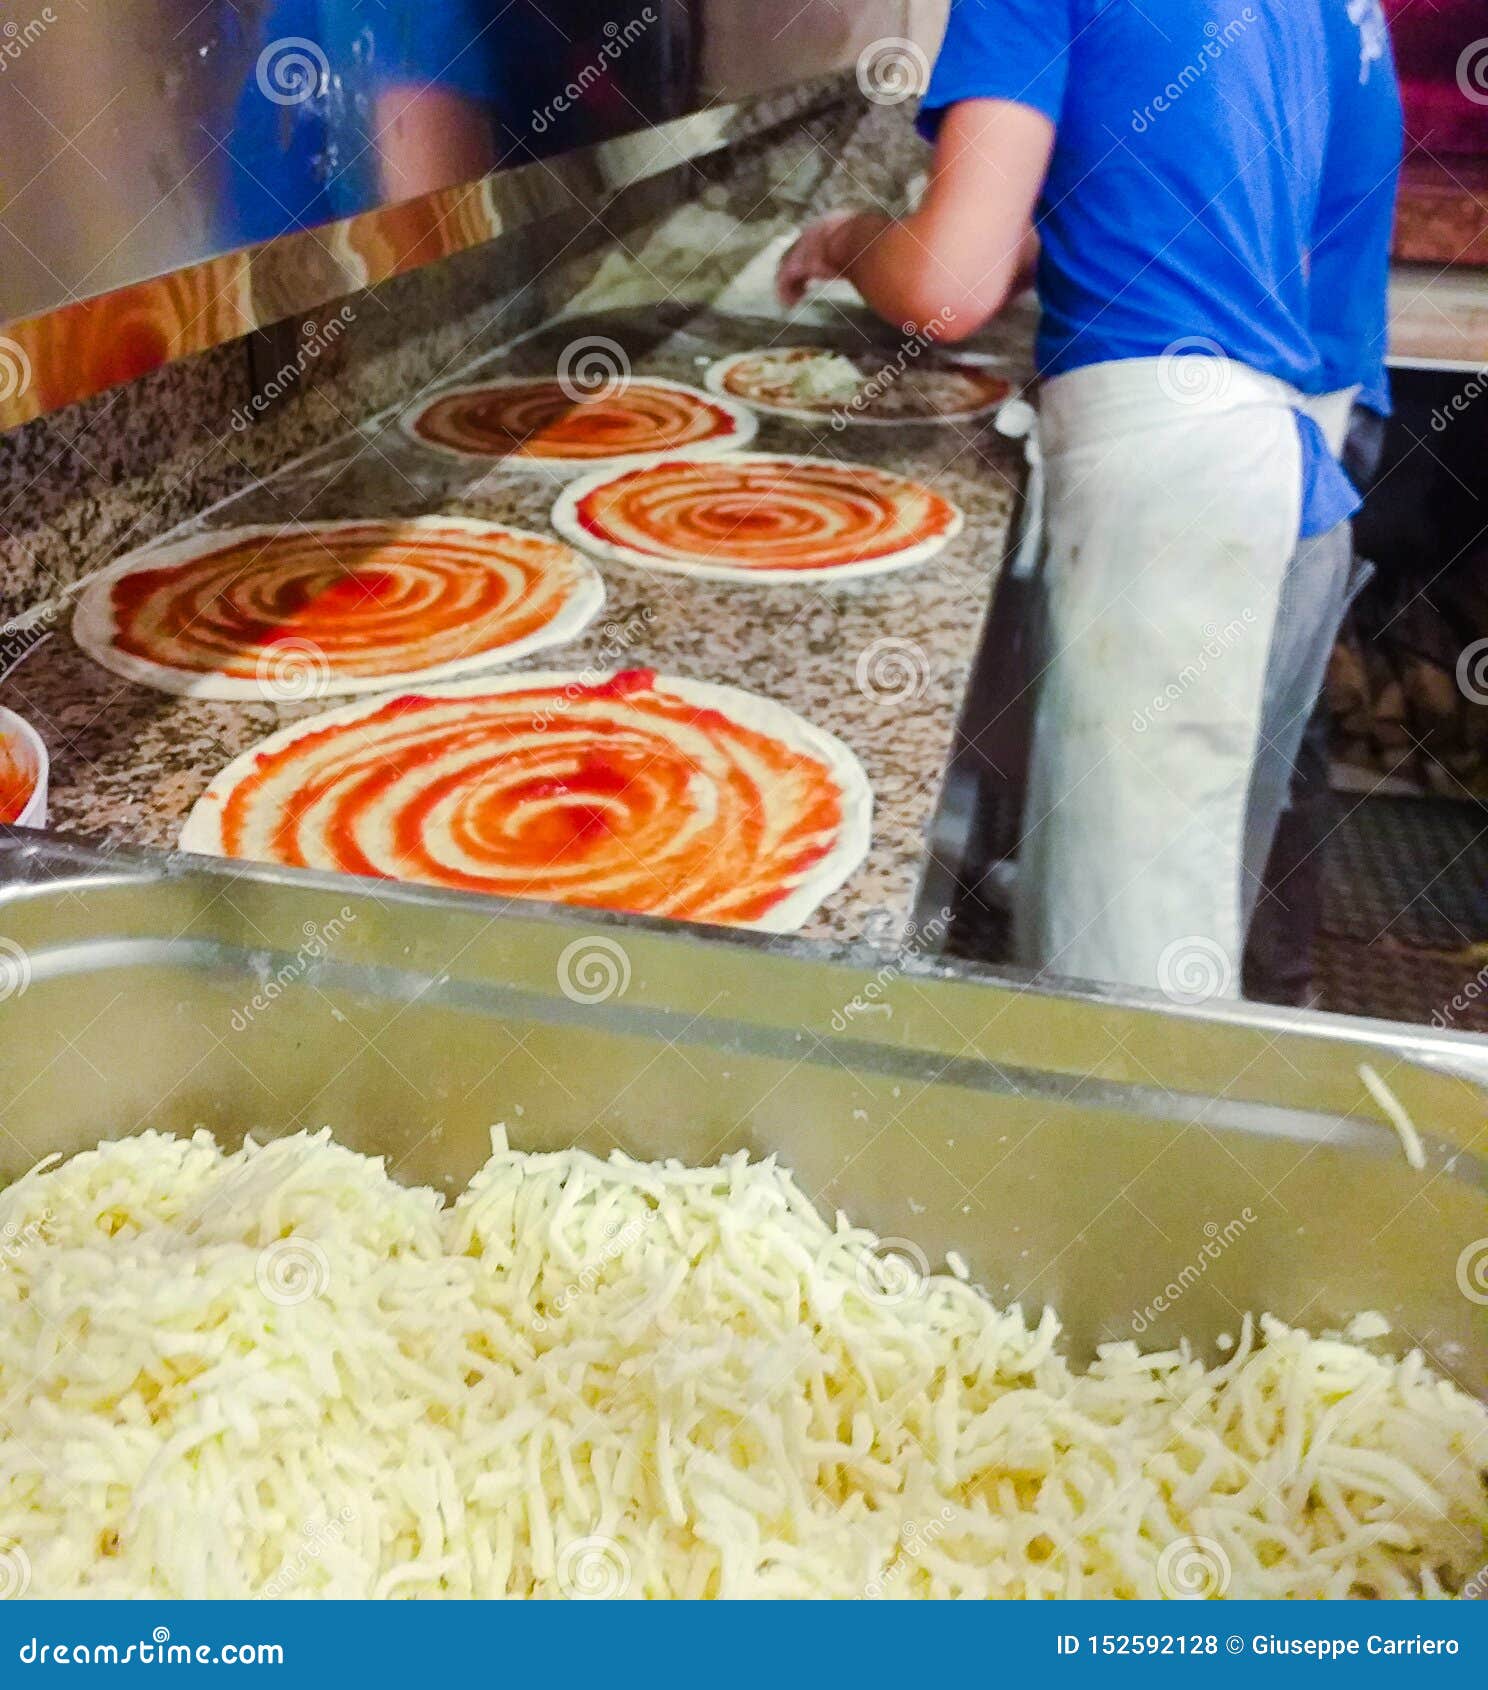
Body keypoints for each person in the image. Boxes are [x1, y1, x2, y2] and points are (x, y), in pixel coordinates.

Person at [779, 0, 1399, 999]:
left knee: (1123, 976)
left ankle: (1124, 1148)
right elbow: (1183, 199)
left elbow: (950, 282)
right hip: (1279, 475)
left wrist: (851, 238)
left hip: (1173, 494)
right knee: (1188, 919)